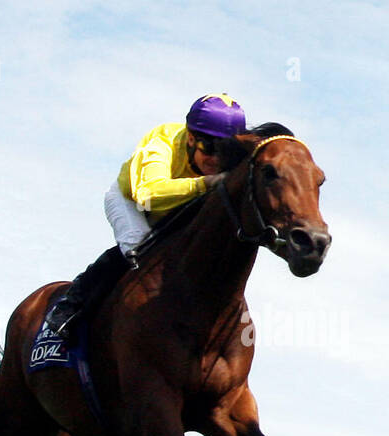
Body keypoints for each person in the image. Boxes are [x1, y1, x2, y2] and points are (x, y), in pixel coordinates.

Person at [45, 93, 248, 340]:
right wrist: (205, 184)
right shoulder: (163, 141)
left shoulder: (224, 159)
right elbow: (148, 193)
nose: (216, 160)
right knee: (140, 247)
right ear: (191, 138)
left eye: (224, 152)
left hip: (176, 208)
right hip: (132, 200)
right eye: (209, 149)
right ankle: (71, 305)